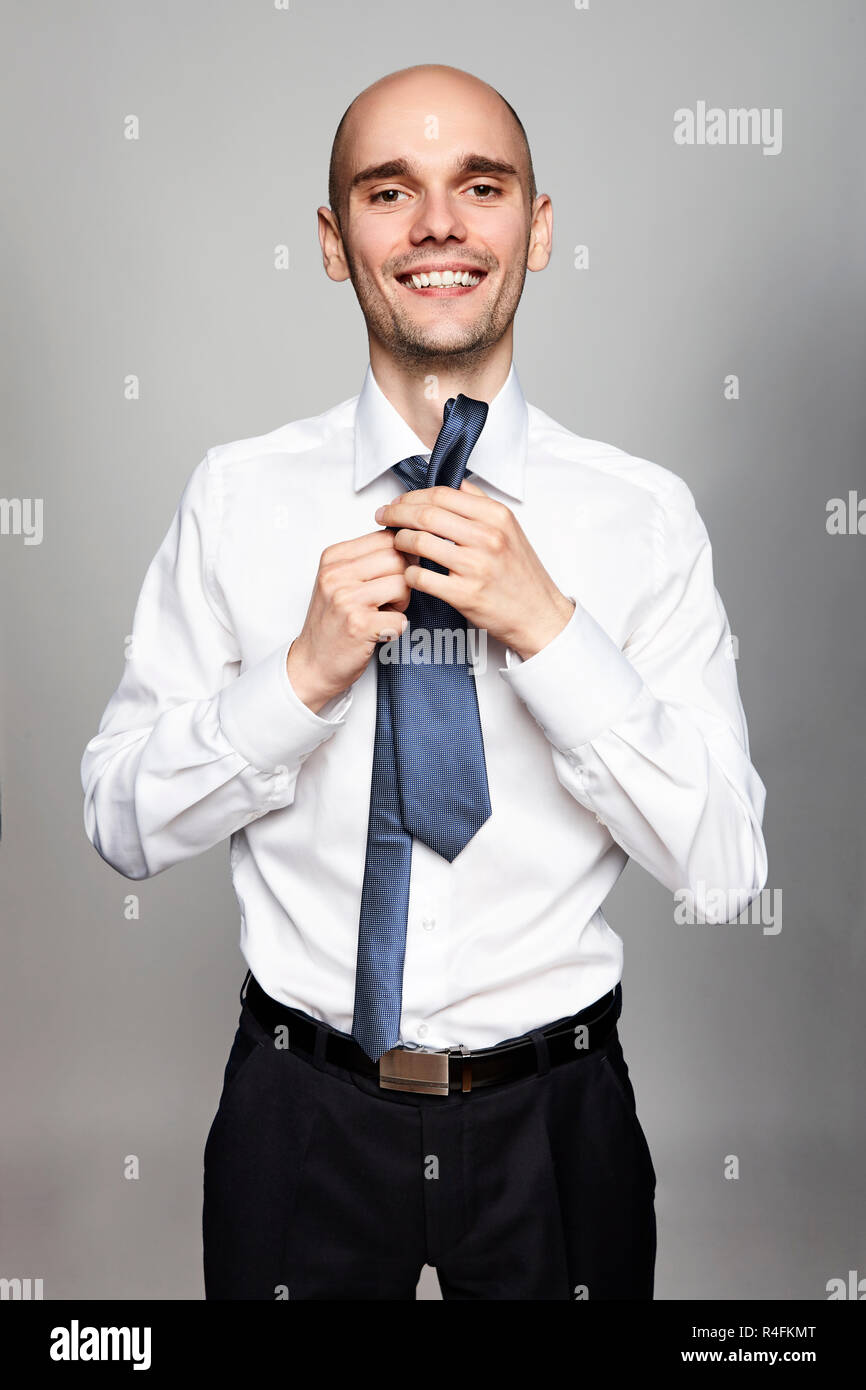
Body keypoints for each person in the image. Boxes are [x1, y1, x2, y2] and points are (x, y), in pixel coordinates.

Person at [80, 63, 768, 1301]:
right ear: (336, 244)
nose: (439, 224)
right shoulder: (234, 498)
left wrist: (552, 632)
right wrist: (296, 680)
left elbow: (724, 868)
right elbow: (119, 823)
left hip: (556, 1123)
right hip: (300, 1113)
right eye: (389, 191)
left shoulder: (641, 516)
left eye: (480, 186)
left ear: (536, 228)